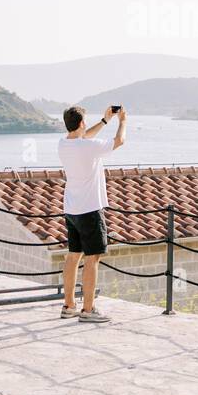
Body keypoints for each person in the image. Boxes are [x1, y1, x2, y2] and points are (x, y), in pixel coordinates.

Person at [57, 104, 127, 322]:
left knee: (73, 255)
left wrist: (105, 121)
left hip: (71, 209)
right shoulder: (88, 147)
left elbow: (83, 137)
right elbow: (119, 142)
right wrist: (122, 121)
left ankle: (68, 305)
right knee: (92, 258)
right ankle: (88, 309)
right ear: (80, 123)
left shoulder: (63, 144)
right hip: (90, 210)